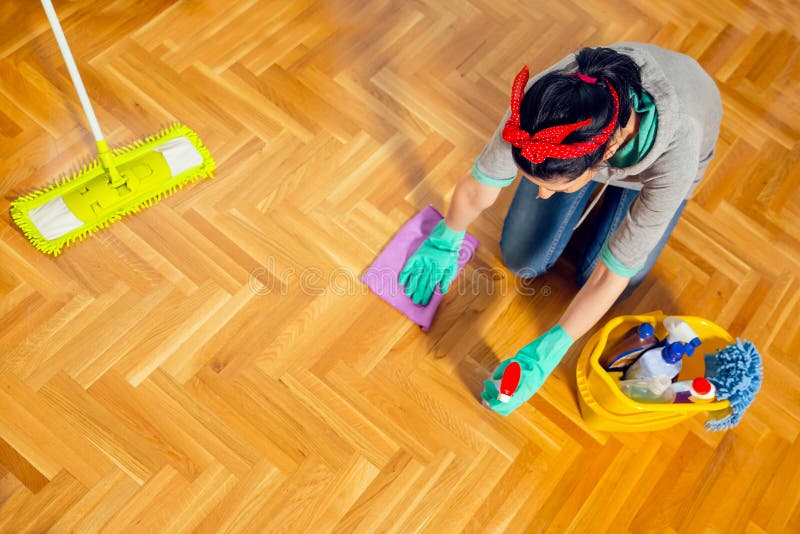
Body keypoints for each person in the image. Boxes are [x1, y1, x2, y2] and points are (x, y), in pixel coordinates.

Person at [397, 43, 722, 415]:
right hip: (584, 152)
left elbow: (607, 277)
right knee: (522, 259)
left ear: (601, 159)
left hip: (665, 155)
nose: (542, 193)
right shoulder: (540, 108)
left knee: (605, 279)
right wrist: (447, 237)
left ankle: (600, 201)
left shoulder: (676, 155)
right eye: (534, 180)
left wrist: (550, 349)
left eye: (554, 186)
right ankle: (572, 191)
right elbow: (477, 187)